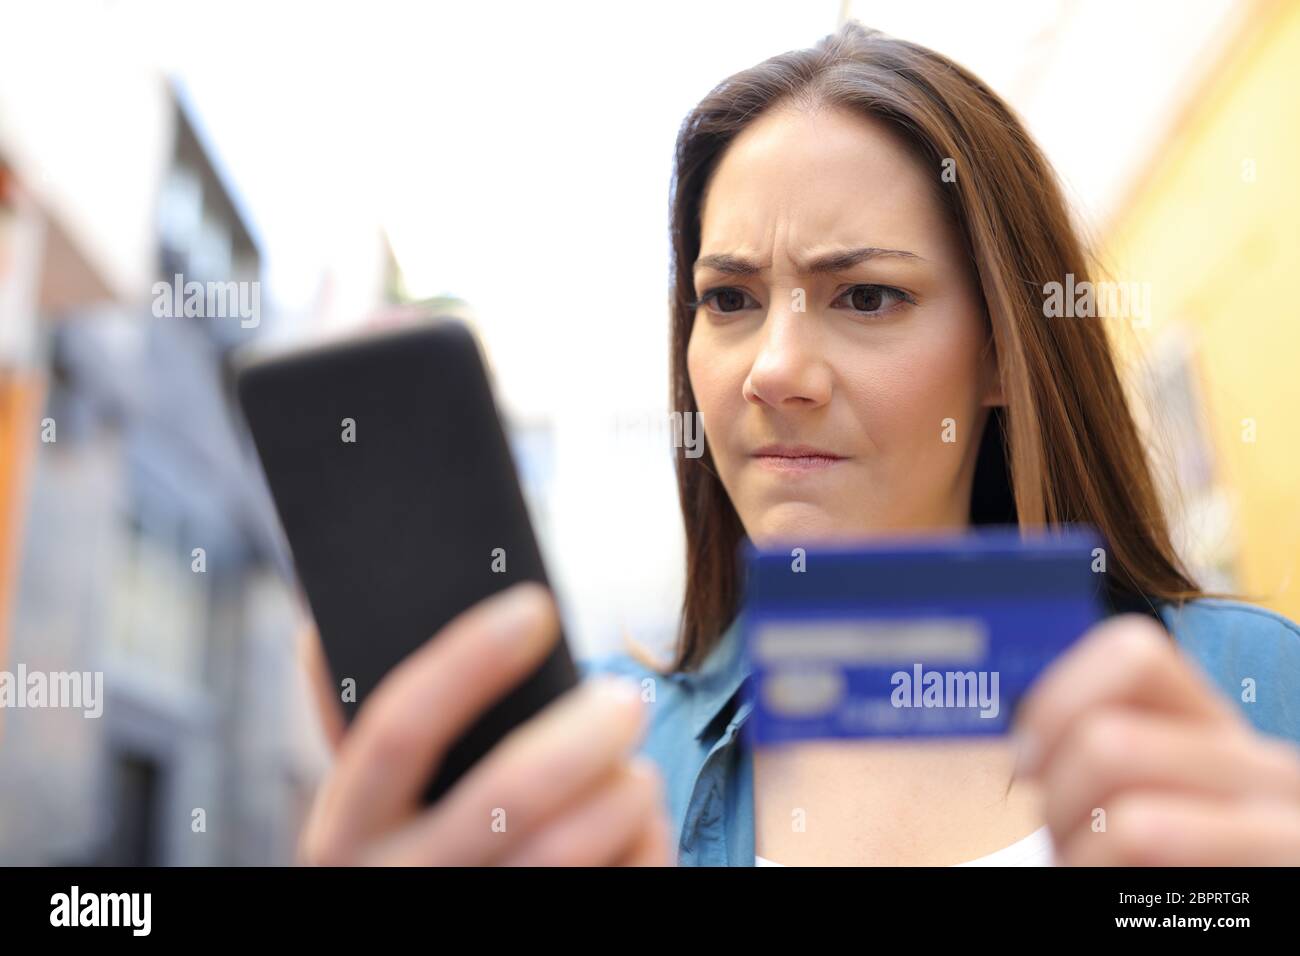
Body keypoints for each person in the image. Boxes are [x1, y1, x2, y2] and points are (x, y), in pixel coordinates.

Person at [296, 22, 1300, 867]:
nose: (772, 367)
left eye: (866, 296)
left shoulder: (1259, 686)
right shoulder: (580, 763)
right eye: (726, 298)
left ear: (1003, 351)